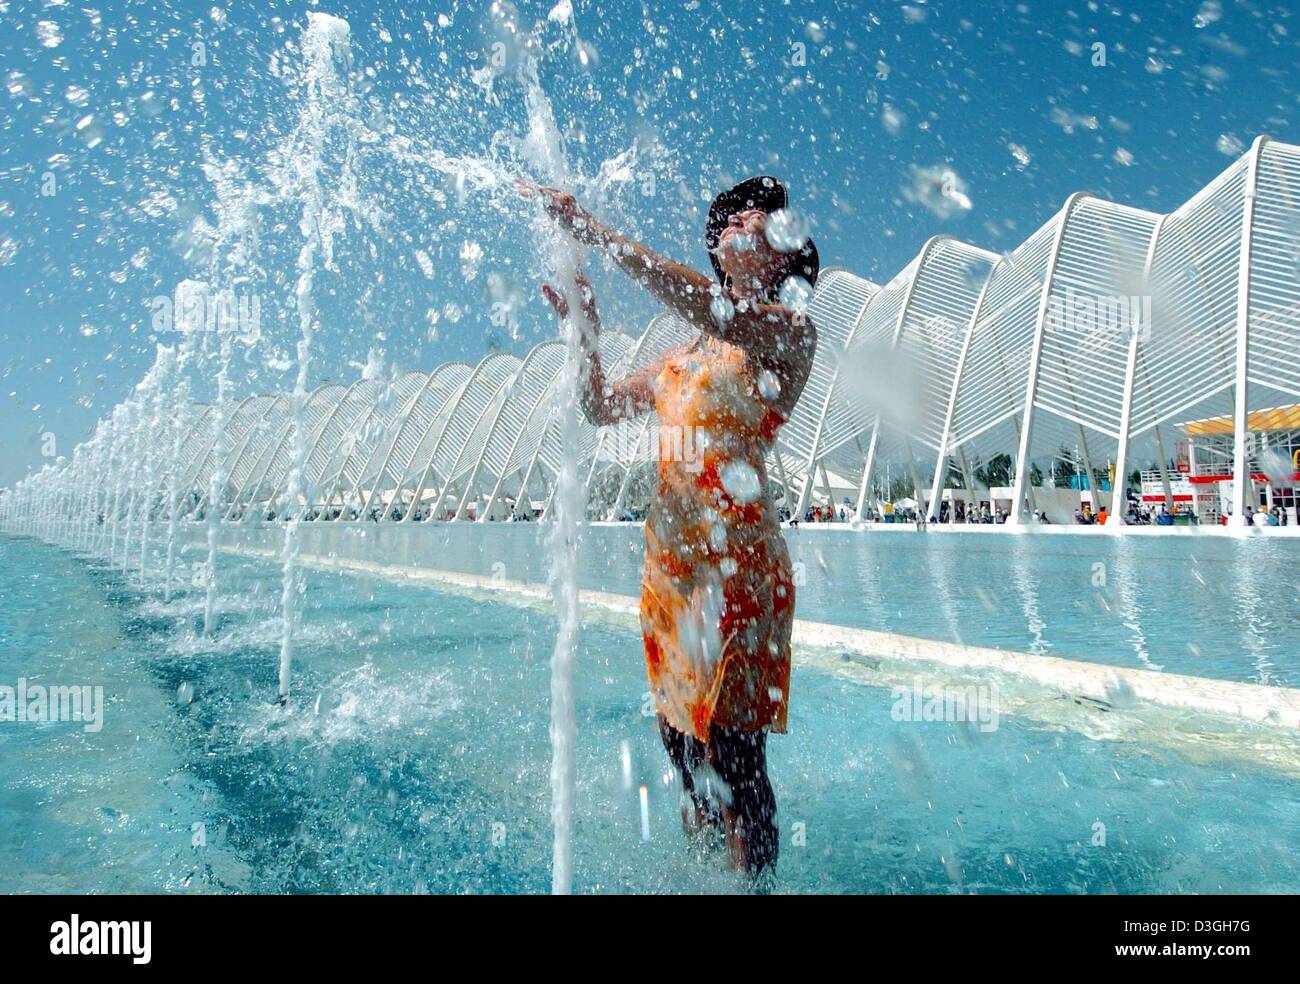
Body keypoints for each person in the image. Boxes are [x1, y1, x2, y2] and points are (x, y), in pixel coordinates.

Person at [526, 174, 819, 876]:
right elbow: (600, 407)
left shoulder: (786, 335)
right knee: (682, 746)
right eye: (732, 216)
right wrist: (584, 335)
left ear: (783, 255)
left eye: (757, 217)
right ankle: (703, 874)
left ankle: (751, 885)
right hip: (672, 573)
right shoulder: (683, 357)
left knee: (737, 757)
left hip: (739, 571)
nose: (738, 222)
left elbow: (715, 309)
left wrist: (595, 231)